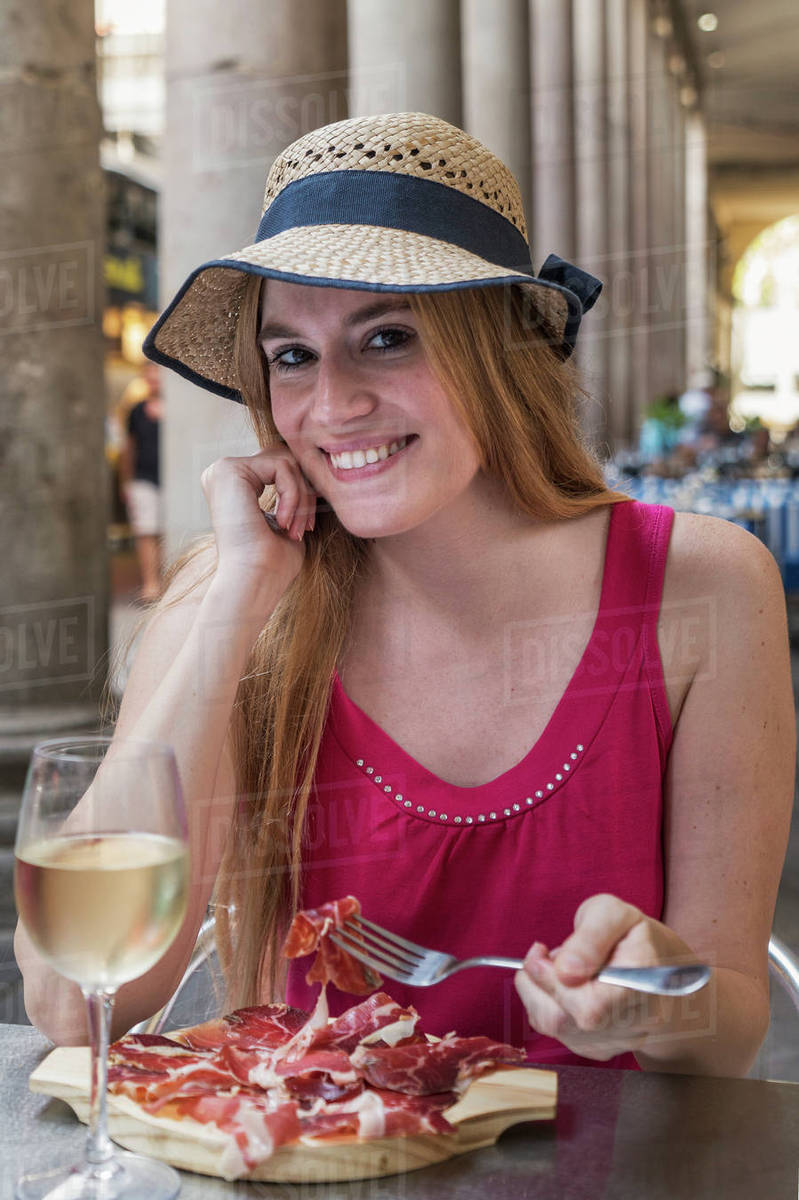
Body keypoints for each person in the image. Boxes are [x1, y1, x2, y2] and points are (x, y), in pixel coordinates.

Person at [16, 113, 794, 1075]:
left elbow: (730, 1025)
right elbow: (68, 1000)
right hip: (305, 1162)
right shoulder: (239, 592)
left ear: (500, 355)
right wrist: (237, 603)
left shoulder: (702, 584)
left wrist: (653, 1006)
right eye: (291, 356)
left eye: (385, 339)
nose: (331, 407)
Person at [119, 361, 163, 602]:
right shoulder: (136, 411)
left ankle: (168, 580)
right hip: (143, 478)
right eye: (150, 374)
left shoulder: (178, 411)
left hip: (173, 481)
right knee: (146, 530)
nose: (154, 378)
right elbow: (129, 448)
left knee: (169, 531)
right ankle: (151, 584)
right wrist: (126, 482)